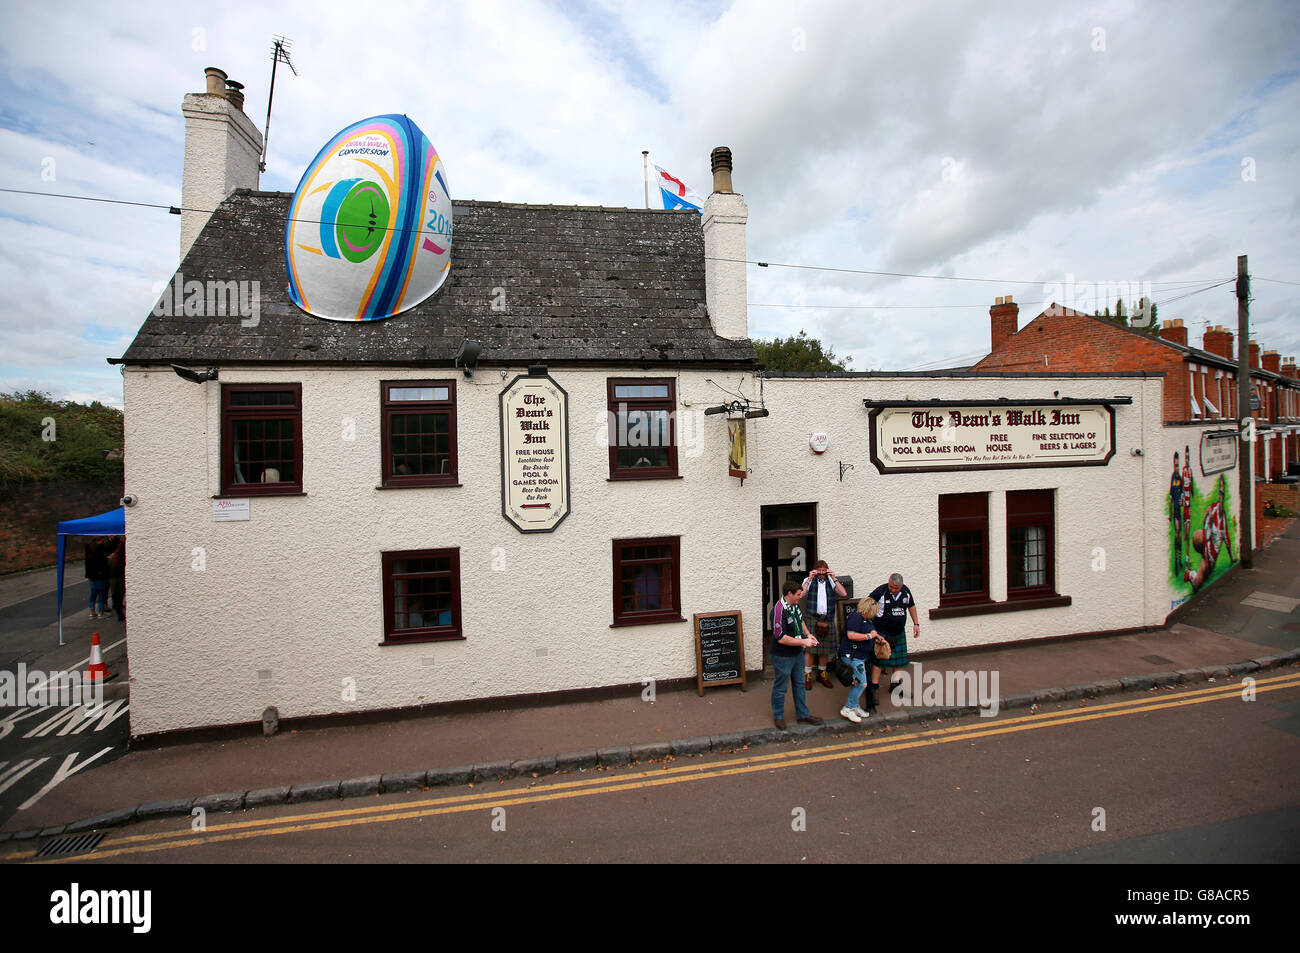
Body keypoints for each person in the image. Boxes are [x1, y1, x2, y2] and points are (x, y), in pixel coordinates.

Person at [770, 580, 823, 730]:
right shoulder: (778, 610)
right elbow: (781, 638)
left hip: (797, 653)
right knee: (781, 687)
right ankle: (778, 716)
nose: (800, 597)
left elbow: (800, 621)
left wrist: (808, 634)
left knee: (800, 684)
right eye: (798, 595)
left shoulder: (794, 606)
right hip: (782, 656)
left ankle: (803, 714)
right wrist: (804, 643)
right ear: (789, 594)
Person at [868, 572, 919, 700]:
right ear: (889, 583)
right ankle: (873, 689)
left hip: (899, 633)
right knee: (879, 661)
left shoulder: (906, 592)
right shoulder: (881, 591)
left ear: (901, 586)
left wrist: (916, 624)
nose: (893, 590)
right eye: (891, 587)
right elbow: (867, 604)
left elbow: (911, 606)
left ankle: (896, 686)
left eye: (896, 588)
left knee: (899, 663)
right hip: (882, 633)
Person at [801, 560, 847, 690]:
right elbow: (802, 593)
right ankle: (807, 675)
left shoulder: (831, 581)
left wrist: (834, 578)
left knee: (824, 650)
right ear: (815, 571)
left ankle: (822, 674)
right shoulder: (809, 580)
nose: (821, 574)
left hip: (827, 619)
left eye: (824, 571)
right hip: (812, 619)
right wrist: (809, 579)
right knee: (810, 649)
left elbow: (843, 593)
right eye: (819, 571)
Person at [839, 596, 887, 722]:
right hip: (853, 657)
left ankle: (854, 706)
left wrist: (877, 637)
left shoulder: (867, 620)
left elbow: (872, 632)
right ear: (867, 610)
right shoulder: (855, 618)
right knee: (862, 683)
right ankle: (848, 708)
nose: (873, 616)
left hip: (861, 656)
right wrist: (869, 636)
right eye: (872, 613)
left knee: (857, 682)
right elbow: (851, 635)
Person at [1184, 475, 1234, 592]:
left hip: (1211, 554)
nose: (1222, 496)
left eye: (1223, 493)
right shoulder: (1212, 509)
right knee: (1198, 584)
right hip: (1207, 550)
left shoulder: (1222, 516)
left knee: (1200, 582)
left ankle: (1191, 574)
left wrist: (1232, 558)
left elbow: (1226, 538)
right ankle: (1190, 574)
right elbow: (1206, 522)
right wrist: (1208, 524)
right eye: (1220, 492)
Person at [84, 538, 110, 619]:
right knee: (101, 593)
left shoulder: (88, 549)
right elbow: (103, 561)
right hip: (100, 575)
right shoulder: (100, 549)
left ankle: (92, 612)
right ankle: (100, 612)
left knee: (93, 593)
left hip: (91, 575)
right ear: (99, 541)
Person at [1169, 451, 1185, 571]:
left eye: (1178, 465)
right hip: (1175, 513)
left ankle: (1179, 559)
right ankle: (1177, 559)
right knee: (1177, 533)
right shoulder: (1173, 478)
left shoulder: (1180, 478)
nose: (1176, 468)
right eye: (1175, 465)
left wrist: (1183, 502)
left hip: (1180, 512)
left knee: (1180, 535)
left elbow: (1184, 494)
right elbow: (1170, 498)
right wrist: (1170, 514)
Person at [107, 537, 126, 622]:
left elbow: (108, 567)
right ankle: (119, 610)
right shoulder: (125, 558)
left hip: (113, 579)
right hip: (121, 579)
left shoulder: (113, 557)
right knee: (121, 595)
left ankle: (119, 612)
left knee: (115, 595)